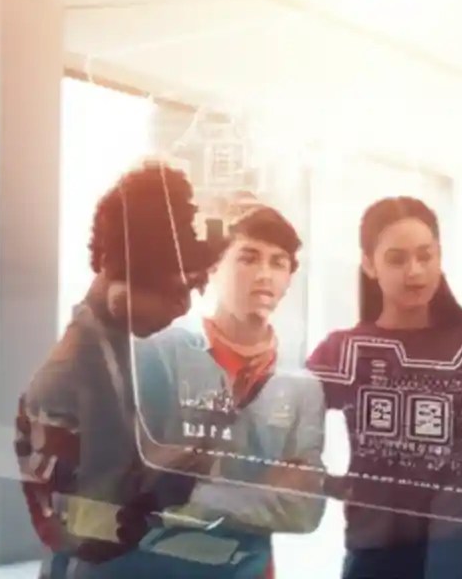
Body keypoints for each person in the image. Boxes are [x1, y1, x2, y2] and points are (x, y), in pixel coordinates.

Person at [305, 196, 462, 579]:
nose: (415, 271)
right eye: (396, 259)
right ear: (368, 264)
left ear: (440, 256)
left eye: (426, 255)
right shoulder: (343, 351)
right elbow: (283, 433)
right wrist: (326, 481)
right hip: (376, 553)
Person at [16, 161, 214, 577]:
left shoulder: (125, 354)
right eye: (171, 291)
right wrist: (162, 474)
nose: (182, 308)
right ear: (117, 272)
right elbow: (72, 532)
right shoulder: (64, 381)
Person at [133, 205, 327, 578]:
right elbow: (135, 480)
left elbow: (304, 509)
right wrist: (263, 490)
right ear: (213, 268)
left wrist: (190, 494)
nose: (264, 274)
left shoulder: (302, 386)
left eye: (279, 262)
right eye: (248, 258)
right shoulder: (159, 352)